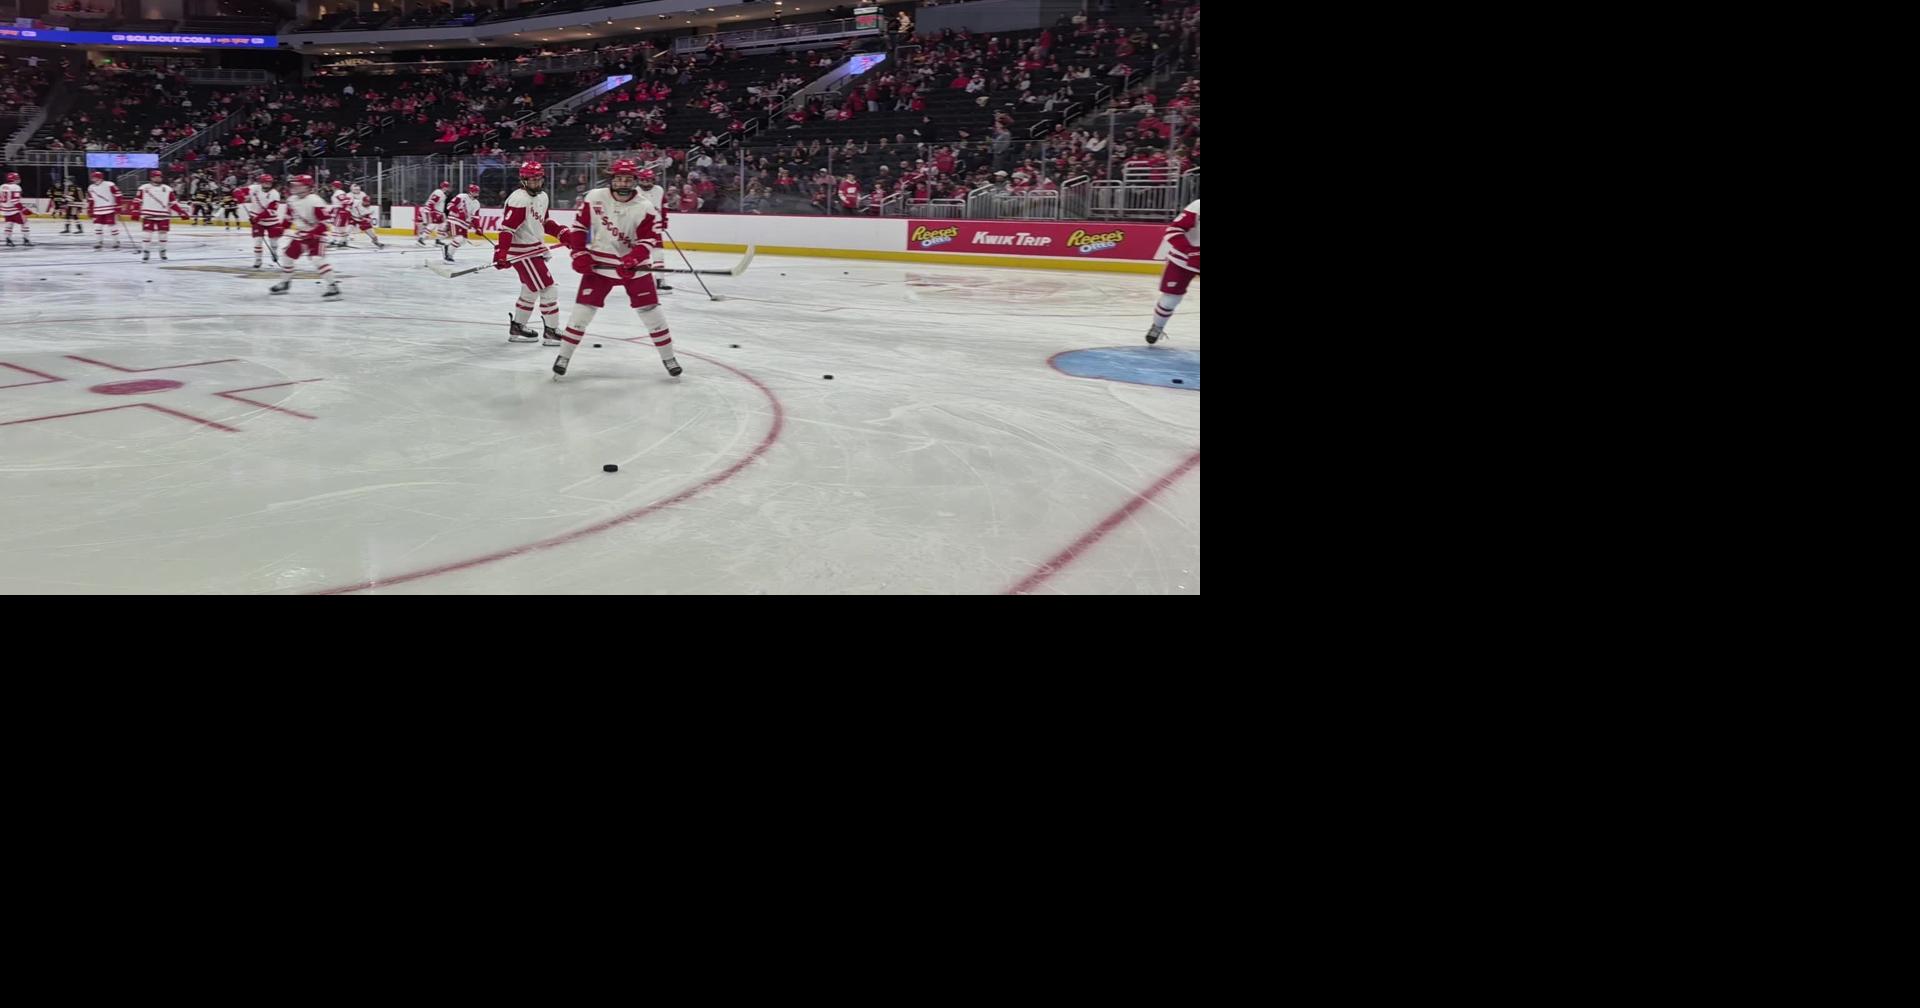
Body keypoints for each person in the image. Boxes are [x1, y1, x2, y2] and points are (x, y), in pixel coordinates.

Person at [549, 159, 680, 379]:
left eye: (627, 179)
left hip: (634, 268)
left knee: (651, 312)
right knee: (582, 312)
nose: (622, 182)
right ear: (612, 179)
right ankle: (564, 356)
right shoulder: (595, 197)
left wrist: (634, 258)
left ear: (634, 181)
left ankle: (669, 357)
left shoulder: (644, 206)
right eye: (619, 178)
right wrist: (579, 252)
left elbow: (649, 240)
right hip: (600, 265)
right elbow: (580, 228)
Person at [1145, 199, 1198, 344]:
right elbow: (1173, 230)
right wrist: (1190, 251)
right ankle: (1157, 326)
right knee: (1170, 299)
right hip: (1182, 260)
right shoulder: (1198, 206)